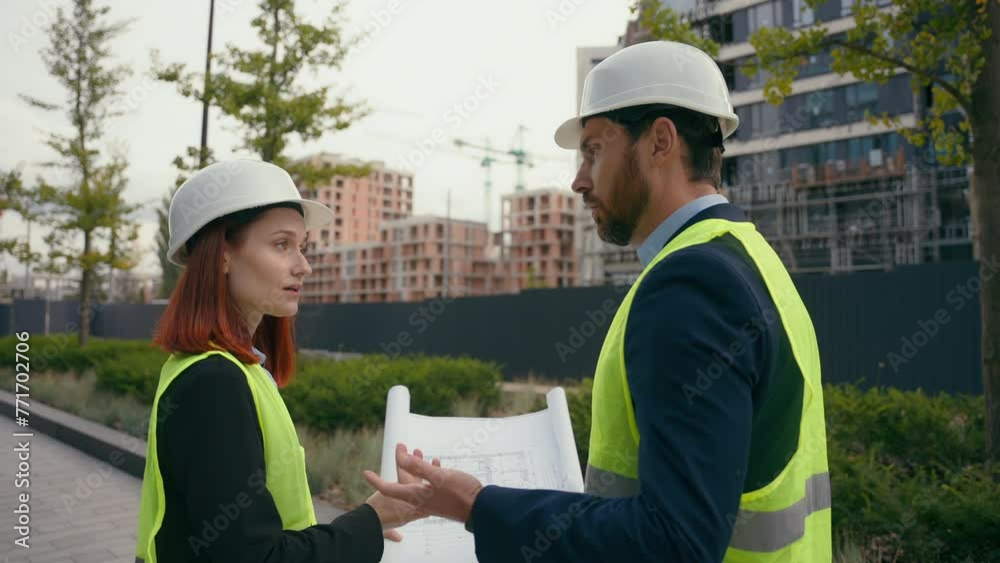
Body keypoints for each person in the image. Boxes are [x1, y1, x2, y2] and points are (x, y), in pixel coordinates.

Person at [365, 40, 832, 562]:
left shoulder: (692, 284)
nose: (578, 180)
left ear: (660, 142)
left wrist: (478, 505)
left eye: (593, 150)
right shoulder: (751, 258)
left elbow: (674, 542)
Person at [135, 159, 430, 563]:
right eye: (281, 244)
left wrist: (373, 519)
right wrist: (373, 518)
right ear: (222, 256)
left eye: (302, 247)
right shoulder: (214, 382)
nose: (303, 265)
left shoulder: (235, 369)